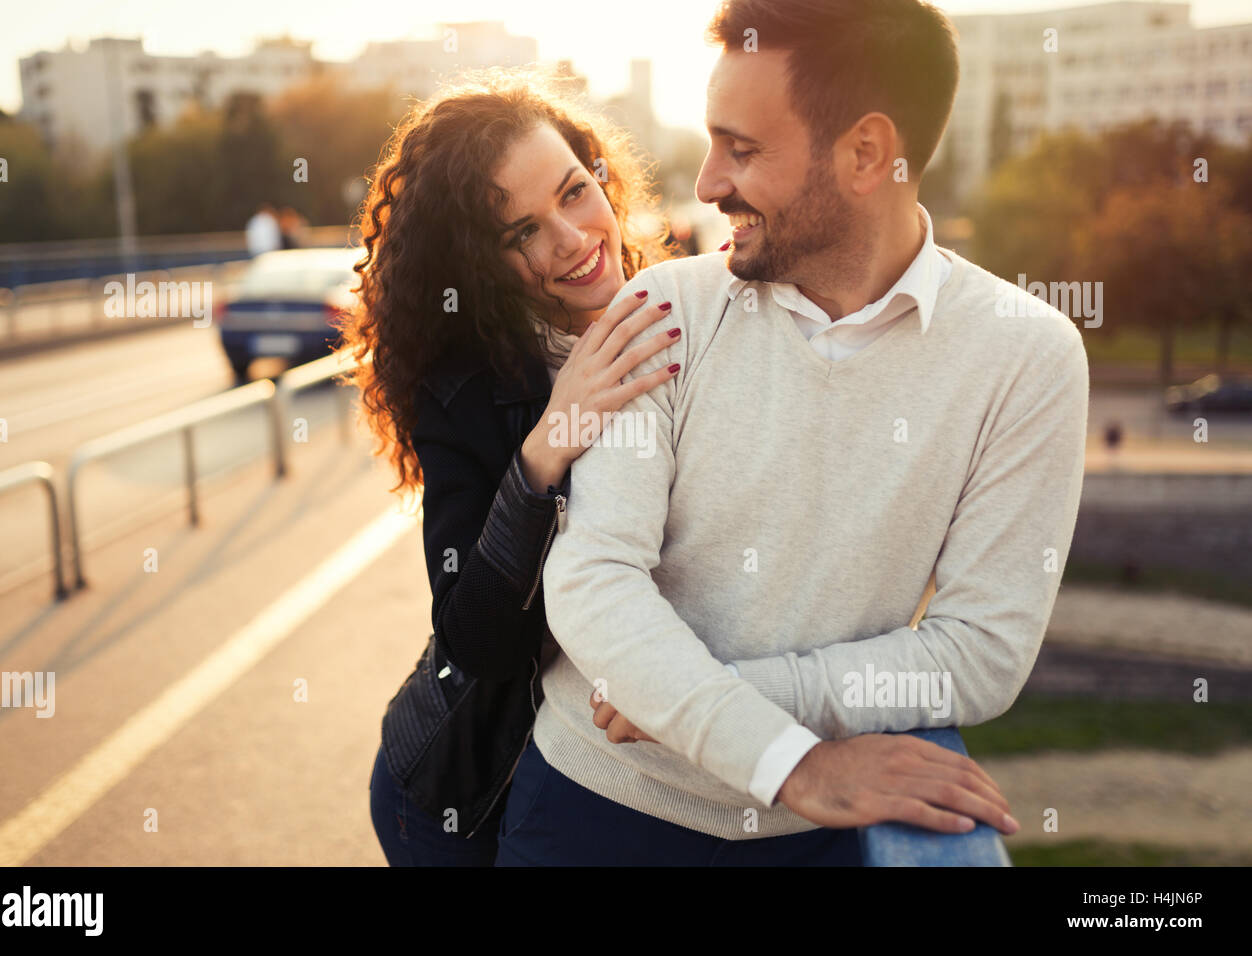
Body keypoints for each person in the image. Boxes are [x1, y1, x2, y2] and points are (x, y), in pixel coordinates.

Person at [498, 0, 1087, 866]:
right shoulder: (662, 311)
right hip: (595, 808)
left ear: (865, 154)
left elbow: (979, 653)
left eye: (741, 149)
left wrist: (724, 705)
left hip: (808, 840)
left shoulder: (1029, 356)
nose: (704, 184)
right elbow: (593, 580)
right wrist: (792, 760)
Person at [336, 69, 677, 866]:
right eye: (520, 232)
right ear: (479, 264)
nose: (570, 239)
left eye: (573, 192)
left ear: (600, 176)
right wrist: (545, 448)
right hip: (457, 792)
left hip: (604, 783)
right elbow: (473, 638)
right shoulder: (467, 389)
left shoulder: (674, 307)